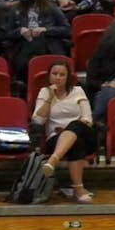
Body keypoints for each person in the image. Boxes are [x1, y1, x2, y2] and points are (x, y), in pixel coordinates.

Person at [33, 60, 96, 202]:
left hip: (84, 135)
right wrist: (49, 98)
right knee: (75, 143)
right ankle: (79, 189)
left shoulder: (78, 91)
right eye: (55, 74)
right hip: (56, 139)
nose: (58, 77)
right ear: (49, 76)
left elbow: (87, 119)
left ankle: (53, 159)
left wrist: (68, 130)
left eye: (62, 74)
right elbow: (38, 120)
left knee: (76, 126)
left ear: (67, 77)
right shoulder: (44, 92)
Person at [4, 0, 70, 84]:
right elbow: (7, 34)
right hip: (24, 47)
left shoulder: (50, 7)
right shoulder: (15, 10)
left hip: (48, 45)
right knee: (23, 63)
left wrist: (46, 30)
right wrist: (19, 31)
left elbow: (67, 29)